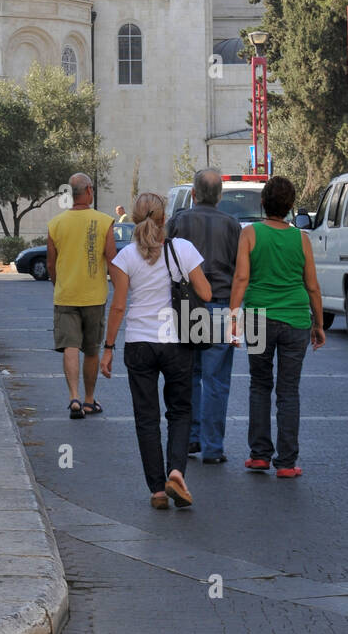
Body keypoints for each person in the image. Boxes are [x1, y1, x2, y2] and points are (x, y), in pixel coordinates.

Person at [104, 192, 212, 509]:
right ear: (165, 218)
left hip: (139, 343)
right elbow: (205, 292)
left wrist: (108, 348)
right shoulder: (183, 249)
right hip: (176, 340)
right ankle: (176, 471)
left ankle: (157, 490)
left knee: (146, 417)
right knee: (180, 411)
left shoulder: (124, 258)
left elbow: (119, 306)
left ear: (135, 219)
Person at [228, 175, 325, 478]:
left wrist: (233, 316)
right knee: (288, 391)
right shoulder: (302, 239)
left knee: (259, 384)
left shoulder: (251, 234)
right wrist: (318, 324)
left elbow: (241, 278)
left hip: (258, 317)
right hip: (296, 319)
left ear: (262, 202)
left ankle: (259, 455)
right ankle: (287, 462)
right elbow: (312, 286)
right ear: (290, 206)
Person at [167, 168, 240, 464]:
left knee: (189, 375)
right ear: (220, 195)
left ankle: (190, 439)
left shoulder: (179, 221)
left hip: (186, 306)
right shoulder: (233, 226)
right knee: (216, 380)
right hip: (221, 306)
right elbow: (241, 272)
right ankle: (213, 447)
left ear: (193, 194)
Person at [46, 172, 116, 419]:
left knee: (70, 346)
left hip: (65, 296)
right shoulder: (105, 221)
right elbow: (112, 260)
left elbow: (51, 265)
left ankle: (73, 396)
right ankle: (89, 400)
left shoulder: (55, 224)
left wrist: (59, 284)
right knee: (92, 350)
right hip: (94, 297)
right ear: (88, 191)